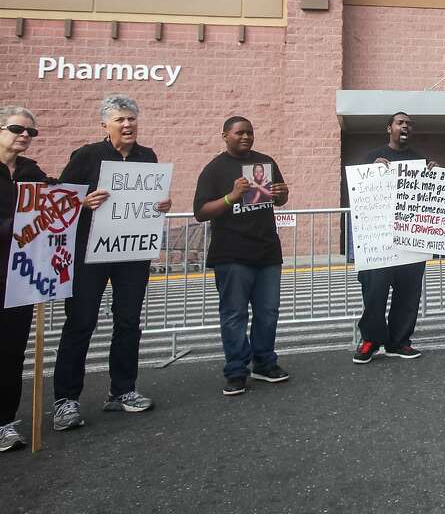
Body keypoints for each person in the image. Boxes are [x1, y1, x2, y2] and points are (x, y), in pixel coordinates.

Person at [52, 95, 170, 432]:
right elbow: (61, 201)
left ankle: (123, 390)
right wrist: (84, 202)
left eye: (132, 119)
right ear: (105, 124)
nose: (128, 125)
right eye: (120, 120)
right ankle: (66, 400)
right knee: (80, 324)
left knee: (129, 322)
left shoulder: (148, 157)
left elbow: (148, 198)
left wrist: (160, 204)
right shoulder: (86, 156)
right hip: (90, 254)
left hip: (131, 253)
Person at [194, 116, 290, 396]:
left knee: (268, 312)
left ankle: (264, 363)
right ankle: (236, 371)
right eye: (239, 133)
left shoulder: (266, 162)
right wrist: (231, 197)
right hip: (231, 253)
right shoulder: (214, 169)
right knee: (234, 314)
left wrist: (282, 194)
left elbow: (278, 199)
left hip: (267, 250)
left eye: (249, 132)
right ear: (225, 135)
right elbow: (200, 212)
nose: (246, 137)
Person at [0, 106, 72, 451]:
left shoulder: (32, 173)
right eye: (17, 129)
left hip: (18, 278)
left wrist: (79, 200)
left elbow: (57, 201)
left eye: (31, 132)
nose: (25, 135)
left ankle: (4, 421)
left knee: (12, 352)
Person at [352, 112, 431, 364]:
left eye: (409, 124)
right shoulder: (372, 158)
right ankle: (370, 340)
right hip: (379, 240)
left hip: (409, 238)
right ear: (389, 128)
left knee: (408, 294)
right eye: (400, 122)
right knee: (374, 292)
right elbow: (358, 193)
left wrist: (433, 175)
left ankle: (400, 341)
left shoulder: (419, 159)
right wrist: (372, 172)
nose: (405, 126)